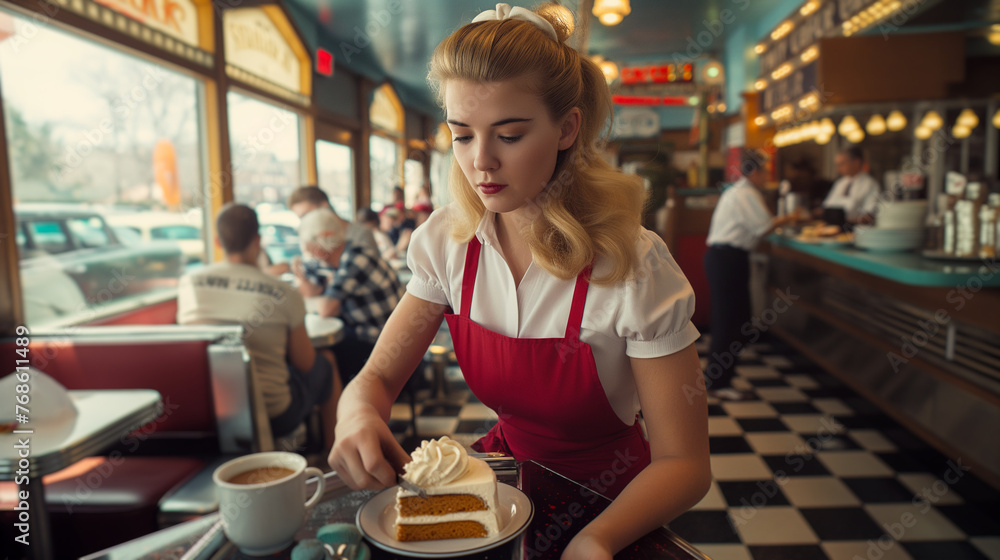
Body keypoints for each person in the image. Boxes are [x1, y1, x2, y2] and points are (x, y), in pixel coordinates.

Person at [328, 5, 709, 559]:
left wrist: (597, 539)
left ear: (567, 128)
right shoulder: (448, 243)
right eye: (461, 136)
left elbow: (684, 464)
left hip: (614, 502)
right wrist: (356, 411)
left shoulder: (632, 265)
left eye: (508, 134)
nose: (480, 162)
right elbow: (377, 379)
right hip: (502, 486)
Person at [177, 204, 340, 451]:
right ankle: (334, 458)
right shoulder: (284, 293)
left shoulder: (189, 283)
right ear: (258, 241)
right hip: (275, 414)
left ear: (218, 242)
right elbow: (304, 363)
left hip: (211, 409)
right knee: (326, 363)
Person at [704, 150, 804, 401]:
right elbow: (764, 227)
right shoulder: (745, 193)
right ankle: (718, 382)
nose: (768, 176)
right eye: (766, 171)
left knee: (736, 321)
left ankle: (720, 379)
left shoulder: (738, 191)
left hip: (727, 258)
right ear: (755, 172)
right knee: (730, 323)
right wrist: (792, 217)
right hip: (727, 259)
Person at [294, 208, 406, 387]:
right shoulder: (345, 255)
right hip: (378, 337)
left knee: (321, 356)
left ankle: (337, 405)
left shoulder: (356, 259)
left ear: (324, 238)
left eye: (308, 243)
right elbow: (323, 291)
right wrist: (312, 289)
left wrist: (308, 299)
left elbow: (327, 309)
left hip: (385, 345)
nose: (306, 249)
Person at [818, 146, 881, 223]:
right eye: (837, 165)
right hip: (833, 228)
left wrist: (847, 223)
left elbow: (870, 214)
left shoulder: (870, 184)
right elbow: (827, 206)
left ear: (856, 163)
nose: (838, 168)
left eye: (842, 164)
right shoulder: (840, 183)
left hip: (855, 230)